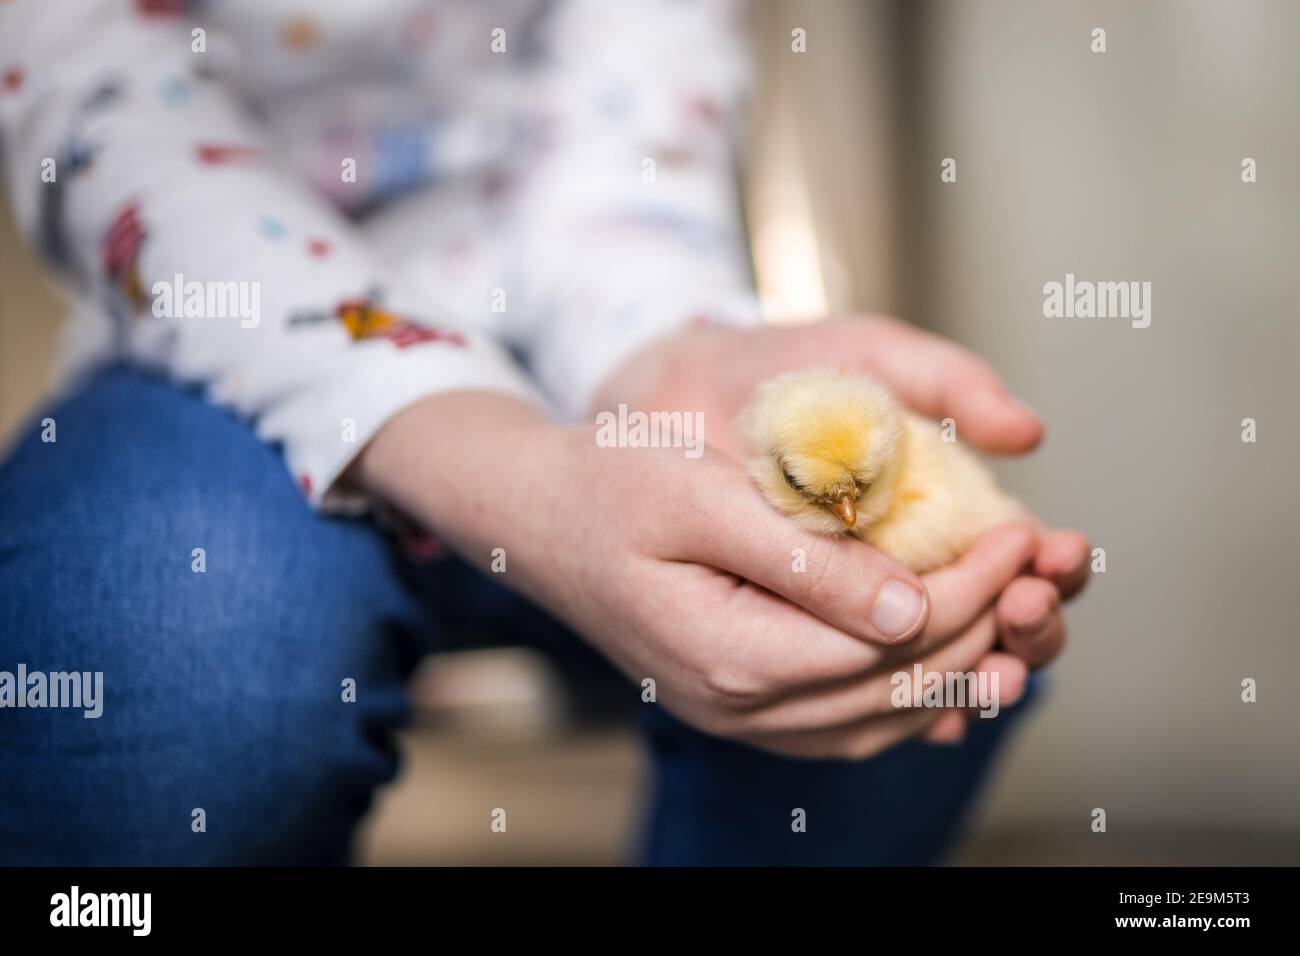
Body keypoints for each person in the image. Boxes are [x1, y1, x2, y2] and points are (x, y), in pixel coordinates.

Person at [0, 0, 1087, 865]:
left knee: (930, 629)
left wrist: (667, 350)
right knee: (170, 664)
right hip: (211, 343)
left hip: (592, 336)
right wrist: (479, 446)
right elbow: (107, 114)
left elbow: (633, 138)